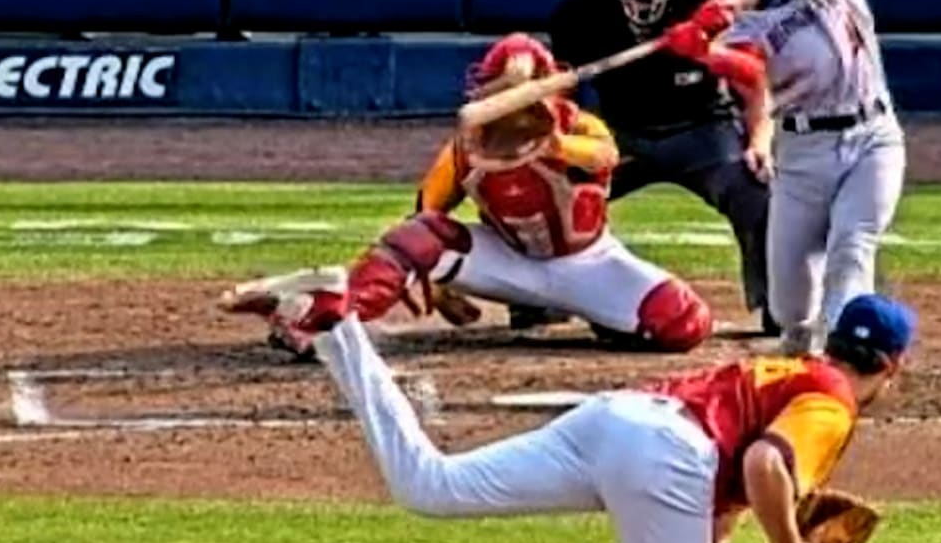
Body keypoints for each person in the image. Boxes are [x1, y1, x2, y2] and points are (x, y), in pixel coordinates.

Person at [218, 253, 915, 543]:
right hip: (670, 459)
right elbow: (764, 462)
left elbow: (718, 513)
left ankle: (337, 324)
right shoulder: (830, 400)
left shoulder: (785, 370)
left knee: (427, 486)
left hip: (618, 421)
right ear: (892, 365)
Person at [225, 33, 713, 357]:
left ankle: (603, 316)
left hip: (587, 261)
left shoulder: (579, 127)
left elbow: (602, 158)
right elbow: (423, 216)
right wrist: (440, 289)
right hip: (509, 261)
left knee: (685, 324)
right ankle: (327, 317)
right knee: (418, 238)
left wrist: (547, 138)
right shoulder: (465, 148)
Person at [660, 0, 907, 356]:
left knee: (852, 243)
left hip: (872, 136)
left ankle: (843, 353)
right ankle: (803, 345)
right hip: (802, 148)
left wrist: (733, 1)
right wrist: (703, 51)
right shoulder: (738, 23)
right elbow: (752, 76)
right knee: (789, 304)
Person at [548, 0, 777, 335]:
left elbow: (754, 84)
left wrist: (759, 143)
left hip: (704, 130)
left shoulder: (706, 0)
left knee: (755, 190)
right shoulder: (578, 11)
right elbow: (561, 96)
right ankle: (546, 296)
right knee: (546, 189)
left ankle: (777, 299)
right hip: (619, 134)